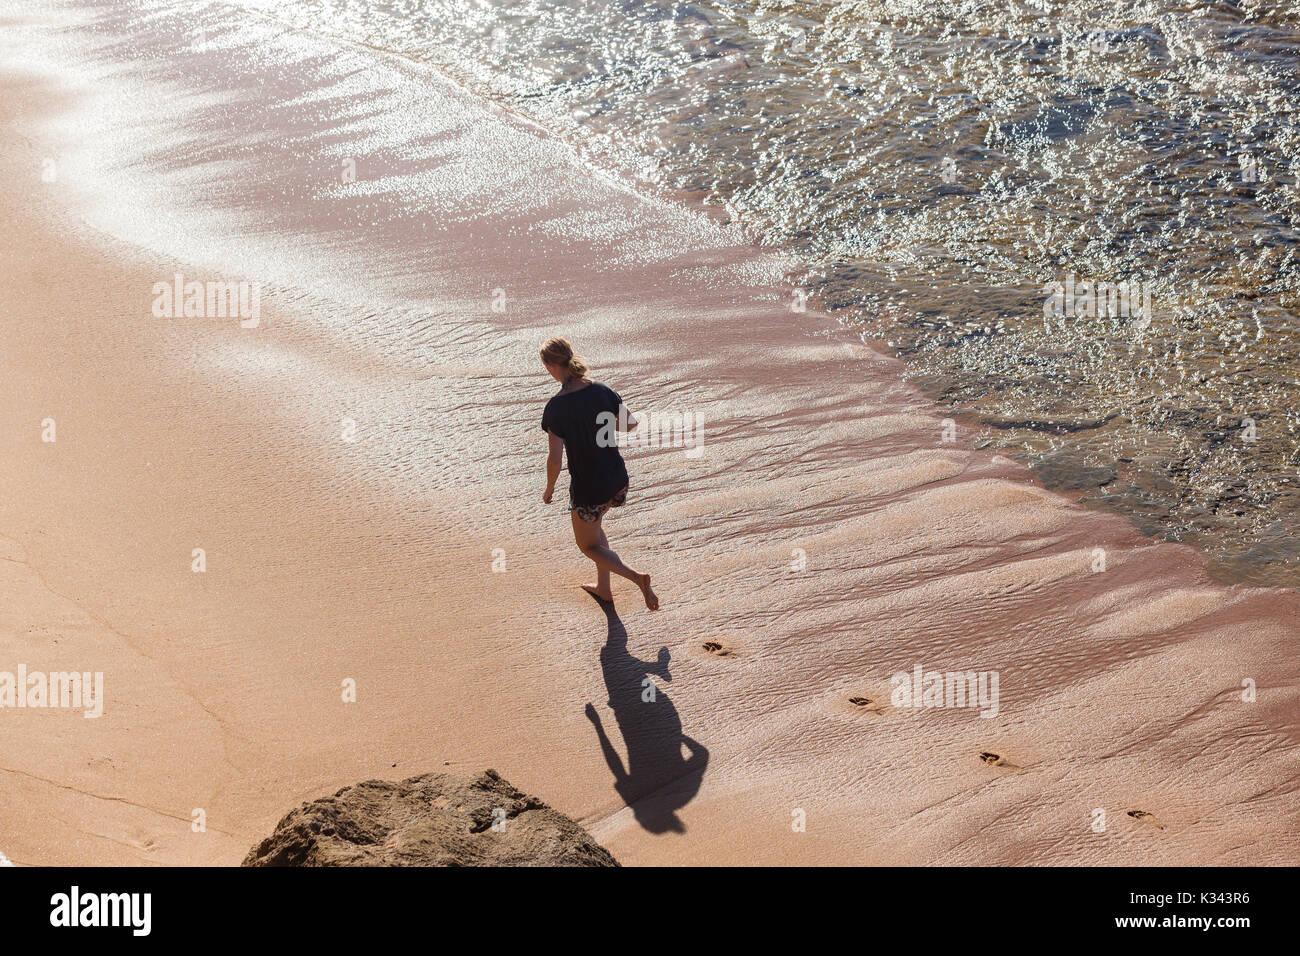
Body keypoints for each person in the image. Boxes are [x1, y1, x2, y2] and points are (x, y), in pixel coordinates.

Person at [540, 338, 659, 610]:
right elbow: (630, 424)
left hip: (588, 491)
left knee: (588, 546)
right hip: (617, 482)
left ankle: (637, 578)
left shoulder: (556, 408)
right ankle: (603, 588)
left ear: (549, 366)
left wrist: (549, 489)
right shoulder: (601, 390)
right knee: (596, 532)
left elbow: (555, 460)